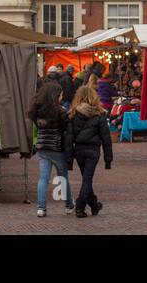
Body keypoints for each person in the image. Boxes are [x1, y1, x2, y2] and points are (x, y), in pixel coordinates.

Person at [30, 77, 74, 218]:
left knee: (43, 178)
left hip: (42, 147)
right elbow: (66, 129)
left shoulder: (37, 111)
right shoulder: (61, 111)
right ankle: (68, 205)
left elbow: (39, 127)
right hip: (57, 148)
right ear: (55, 95)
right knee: (63, 177)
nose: (62, 96)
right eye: (60, 94)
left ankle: (41, 208)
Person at [66, 84, 113, 217]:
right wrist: (108, 159)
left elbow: (69, 138)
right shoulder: (99, 113)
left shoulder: (73, 114)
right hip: (93, 151)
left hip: (79, 151)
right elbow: (106, 138)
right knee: (87, 180)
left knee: (87, 178)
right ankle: (80, 206)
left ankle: (94, 204)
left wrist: (69, 159)